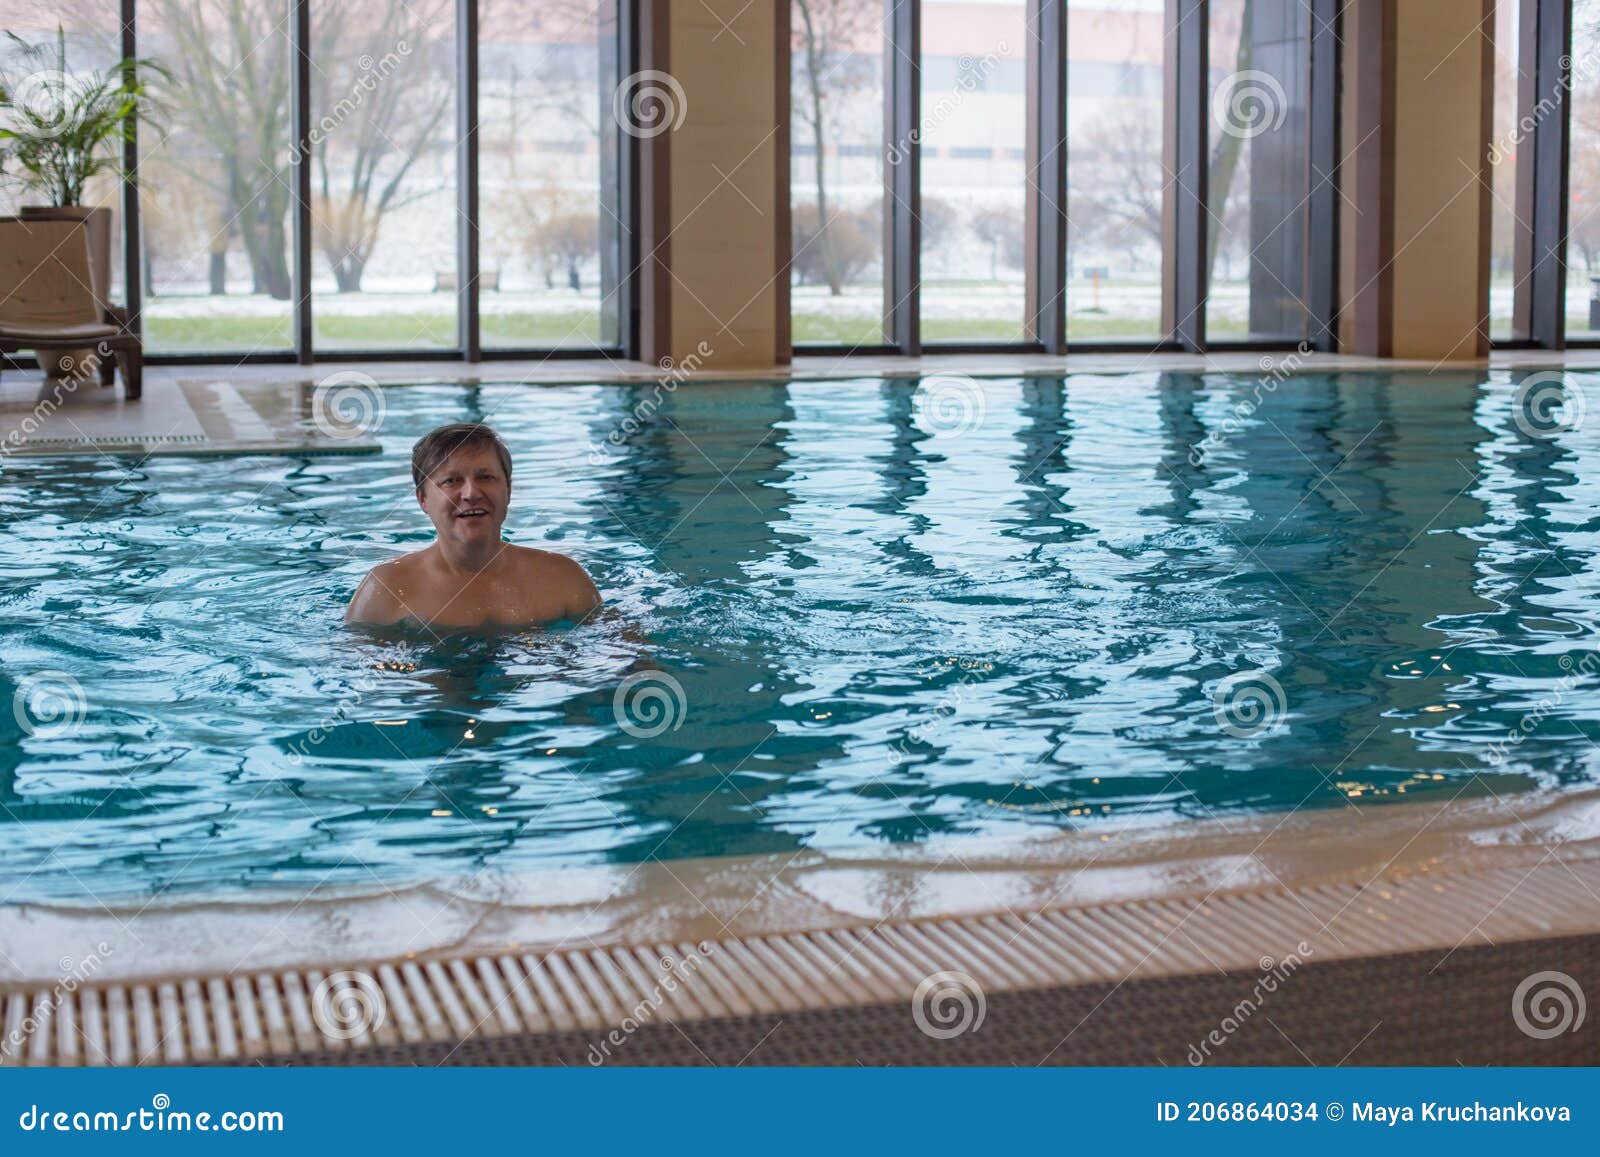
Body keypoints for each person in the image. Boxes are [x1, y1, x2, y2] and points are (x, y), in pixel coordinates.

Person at [345, 422, 601, 629]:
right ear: (422, 499)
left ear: (508, 490)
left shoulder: (563, 579)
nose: (470, 493)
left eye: (485, 477)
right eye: (451, 481)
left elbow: (621, 659)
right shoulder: (386, 591)